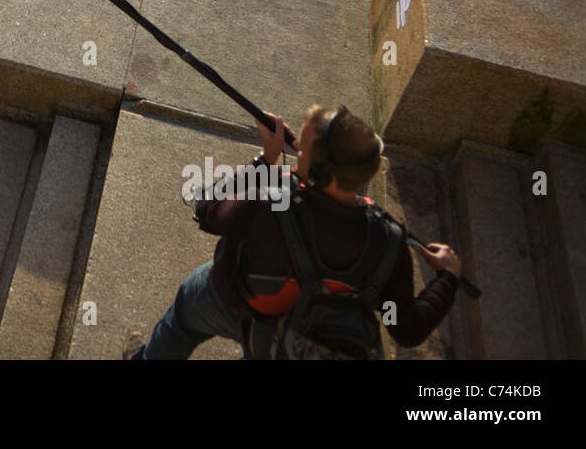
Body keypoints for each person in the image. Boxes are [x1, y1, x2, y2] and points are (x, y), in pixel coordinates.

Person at [126, 104, 461, 359]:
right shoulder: (390, 243)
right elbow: (406, 329)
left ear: (317, 169)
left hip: (227, 301)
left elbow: (206, 209)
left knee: (182, 321)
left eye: (299, 145)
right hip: (297, 341)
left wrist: (266, 162)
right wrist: (447, 278)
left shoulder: (265, 205)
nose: (294, 142)